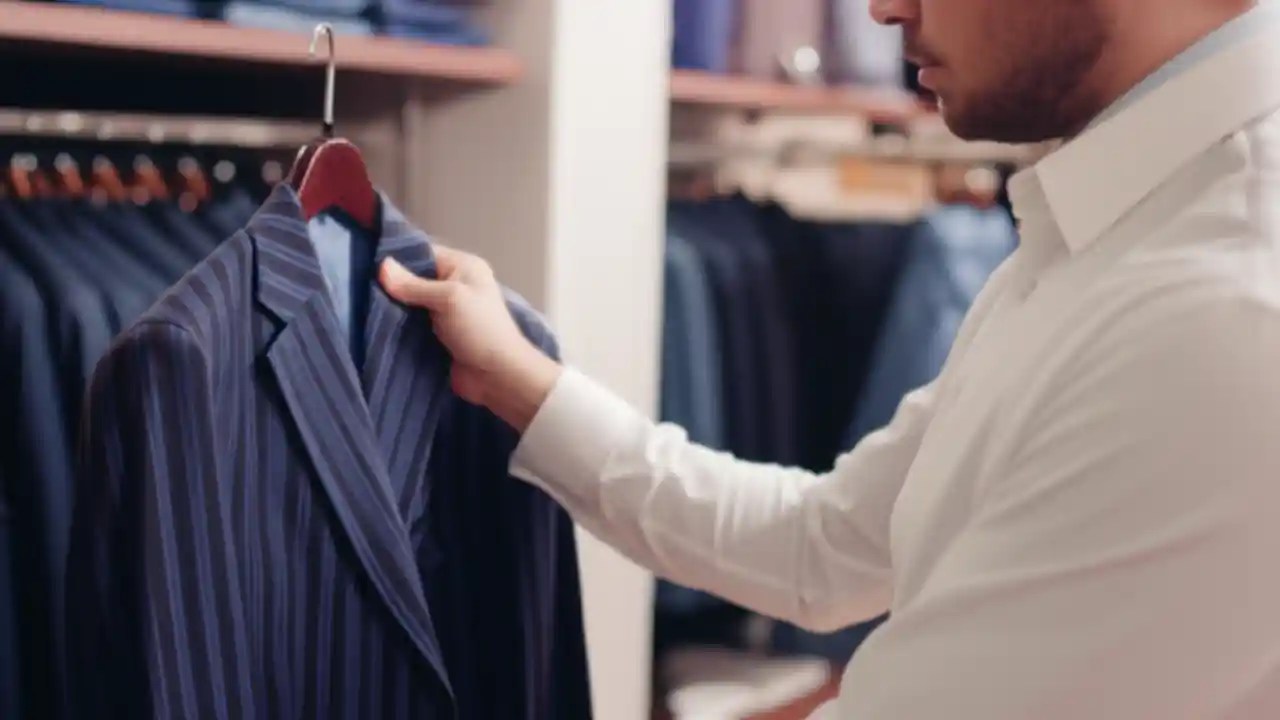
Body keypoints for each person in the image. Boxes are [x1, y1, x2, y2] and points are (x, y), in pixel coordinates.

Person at [380, 0, 1280, 716]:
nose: (883, 9)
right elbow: (826, 544)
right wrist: (523, 387)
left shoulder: (1220, 314)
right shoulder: (1111, 232)